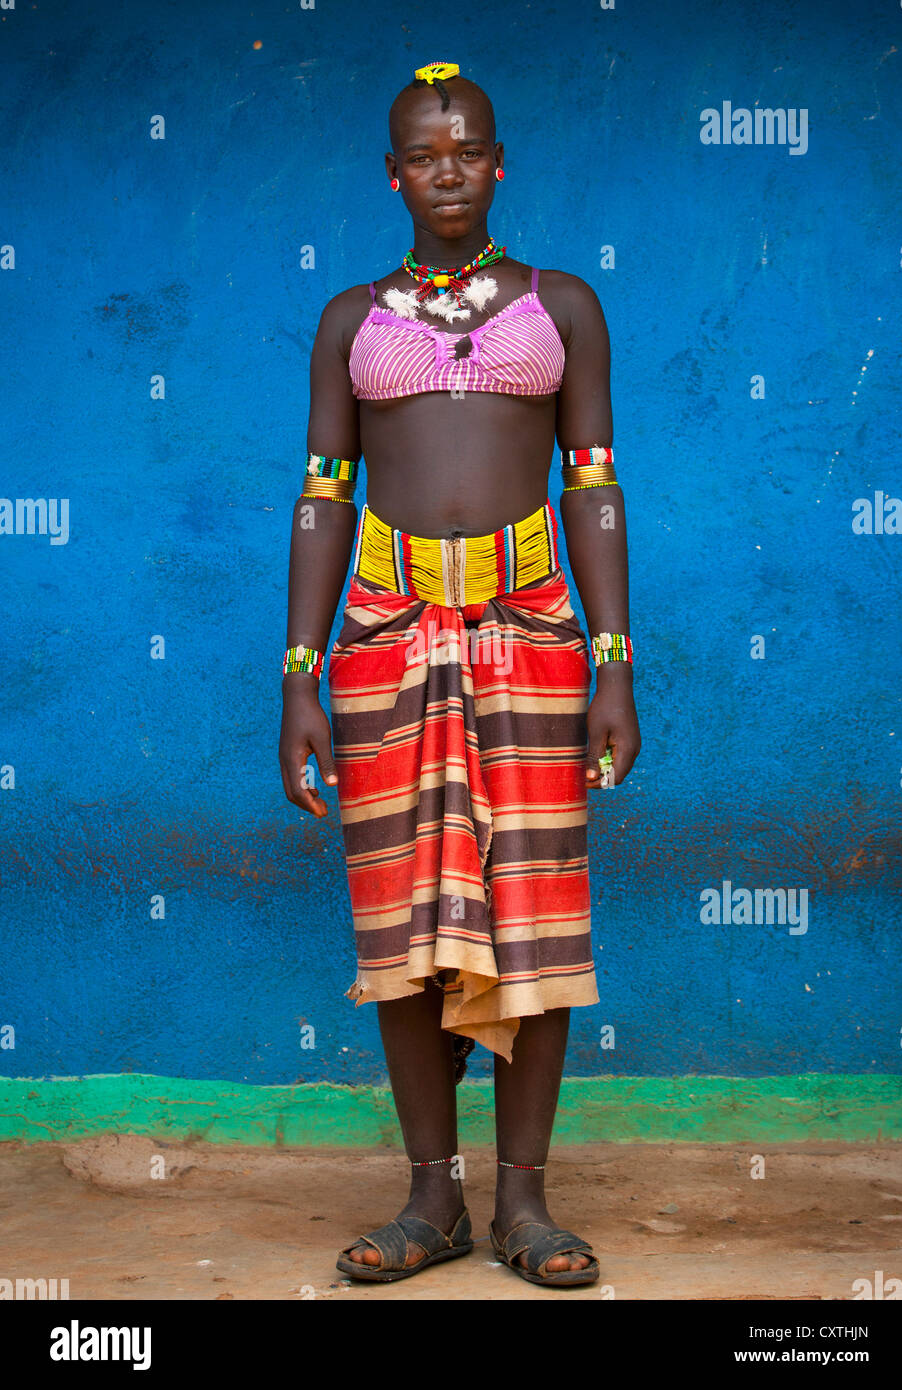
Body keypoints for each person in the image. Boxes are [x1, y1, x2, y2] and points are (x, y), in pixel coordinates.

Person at [279, 61, 640, 1288]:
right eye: (423, 155)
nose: (447, 170)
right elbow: (324, 498)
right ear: (393, 174)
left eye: (468, 149)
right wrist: (299, 678)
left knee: (532, 918)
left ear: (498, 164)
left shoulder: (562, 305)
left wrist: (613, 665)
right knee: (403, 922)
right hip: (386, 640)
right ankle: (430, 1203)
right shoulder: (349, 320)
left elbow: (591, 484)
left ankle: (525, 1207)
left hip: (530, 629)